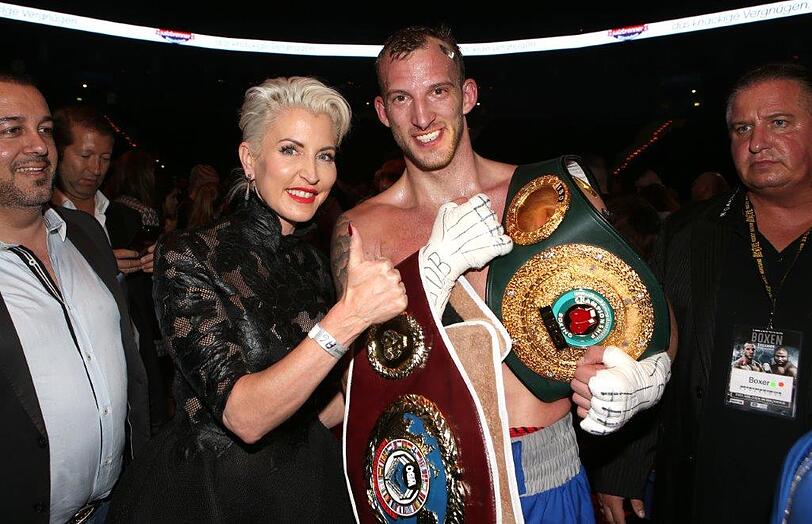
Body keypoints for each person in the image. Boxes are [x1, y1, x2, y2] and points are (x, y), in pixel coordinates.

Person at [331, 26, 674, 523]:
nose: (422, 117)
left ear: (467, 96)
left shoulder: (551, 196)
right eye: (401, 98)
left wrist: (645, 380)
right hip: (437, 491)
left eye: (438, 91)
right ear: (383, 112)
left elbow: (653, 320)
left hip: (549, 480)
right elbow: (361, 386)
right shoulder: (361, 231)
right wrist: (426, 276)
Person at [109, 76, 407, 522]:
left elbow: (317, 403)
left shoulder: (312, 263)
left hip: (304, 487)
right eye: (290, 150)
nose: (312, 173)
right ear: (250, 160)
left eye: (324, 155)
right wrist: (350, 318)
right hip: (213, 495)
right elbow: (244, 417)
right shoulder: (190, 255)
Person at [595, 63, 812, 523]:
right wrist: (623, 465)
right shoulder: (690, 234)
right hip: (702, 483)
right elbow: (649, 346)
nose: (756, 142)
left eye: (779, 122)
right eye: (741, 128)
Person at [0, 72, 149, 523]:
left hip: (117, 504)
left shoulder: (86, 234)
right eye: (11, 129)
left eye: (44, 129)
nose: (39, 145)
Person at [51, 104, 151, 275]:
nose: (96, 169)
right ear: (57, 153)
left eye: (105, 158)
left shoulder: (128, 218)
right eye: (85, 156)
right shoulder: (38, 218)